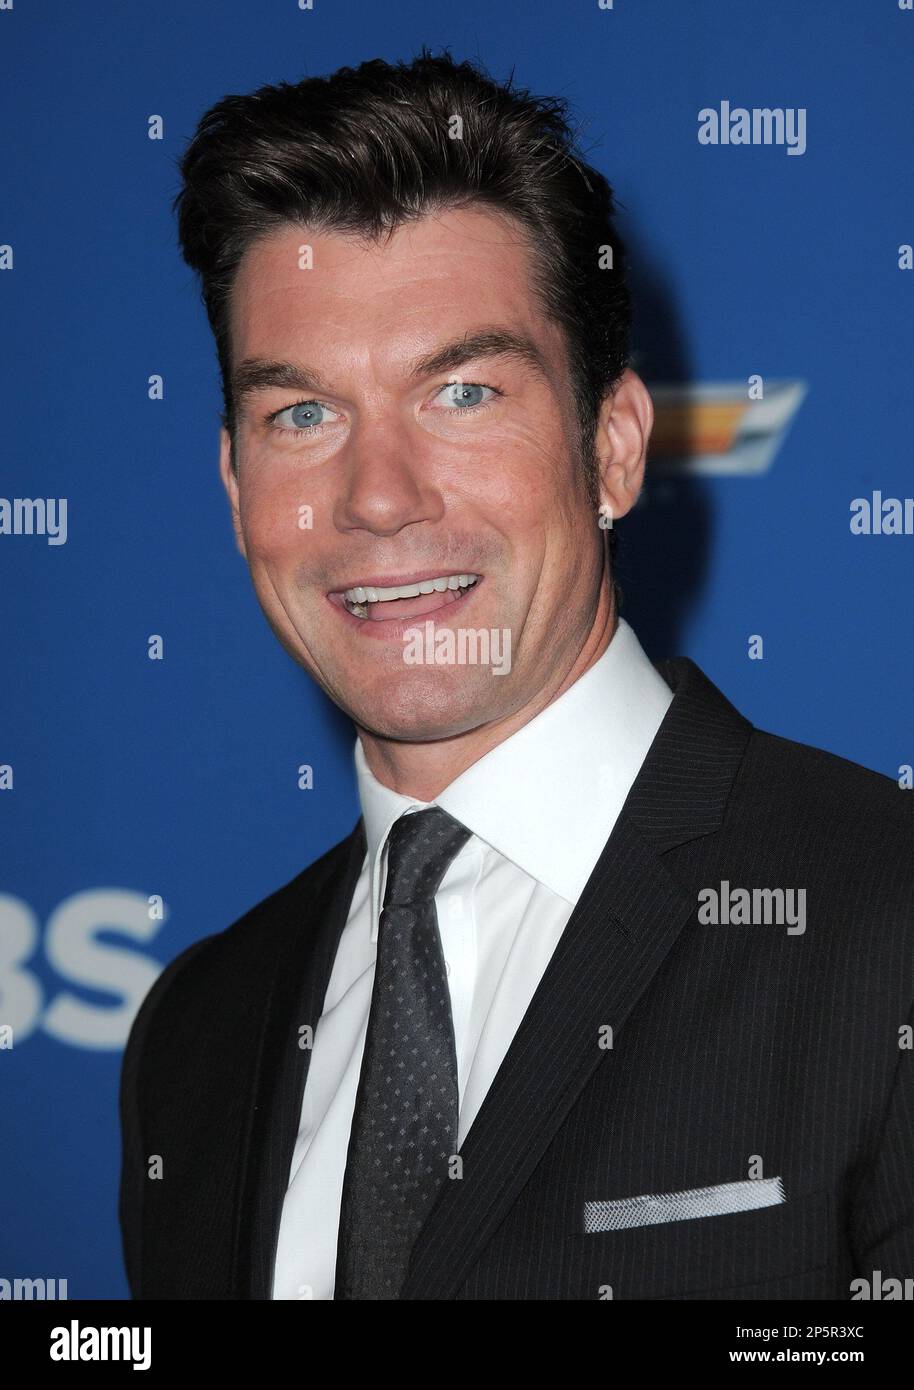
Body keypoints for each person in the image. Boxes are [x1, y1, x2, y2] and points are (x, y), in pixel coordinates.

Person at [119, 49, 914, 1300]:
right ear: (234, 487)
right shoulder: (198, 1032)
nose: (377, 497)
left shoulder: (886, 922)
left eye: (463, 391)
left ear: (611, 447)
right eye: (302, 416)